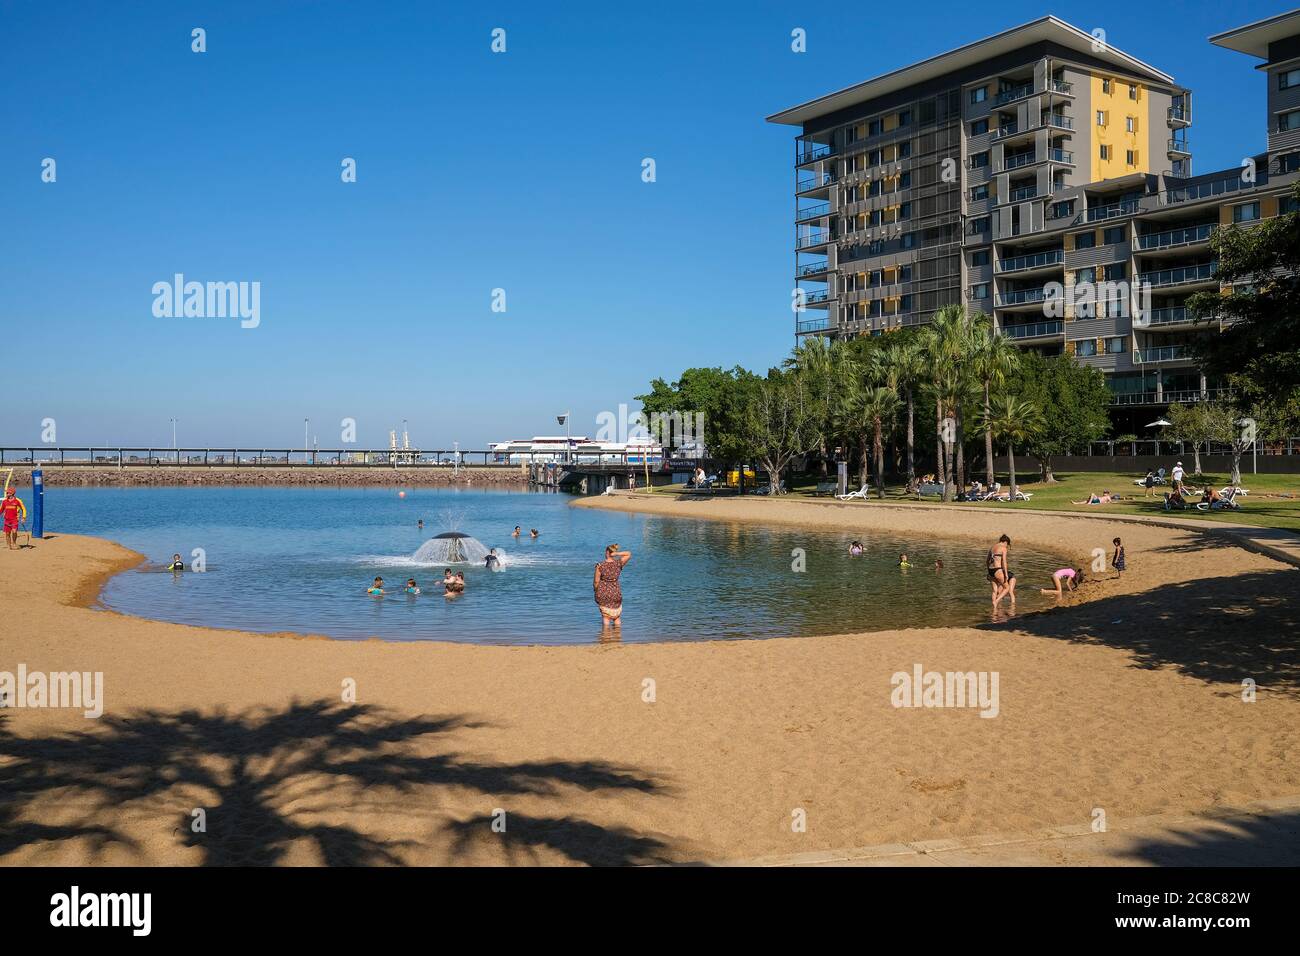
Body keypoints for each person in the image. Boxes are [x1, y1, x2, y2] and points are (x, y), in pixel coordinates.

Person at [594, 542, 632, 629]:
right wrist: (617, 554)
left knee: (606, 617)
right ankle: (617, 635)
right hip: (616, 592)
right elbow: (629, 554)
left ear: (607, 552)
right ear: (613, 553)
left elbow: (596, 582)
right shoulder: (618, 563)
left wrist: (596, 591)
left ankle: (606, 636)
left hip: (603, 592)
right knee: (617, 617)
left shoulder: (600, 566)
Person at [987, 534, 1016, 607]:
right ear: (1006, 542)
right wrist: (1005, 574)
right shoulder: (1003, 548)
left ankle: (994, 608)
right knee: (1007, 588)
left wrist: (988, 571)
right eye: (1007, 544)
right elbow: (1004, 562)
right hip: (998, 570)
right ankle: (996, 602)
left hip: (991, 570)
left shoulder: (992, 547)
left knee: (994, 590)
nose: (1007, 546)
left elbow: (987, 561)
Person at [2, 486, 26, 551]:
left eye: (8, 493)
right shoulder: (4, 501)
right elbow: (1, 510)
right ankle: (9, 546)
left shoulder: (17, 501)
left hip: (14, 519)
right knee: (7, 533)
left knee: (14, 531)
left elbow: (23, 509)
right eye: (6, 493)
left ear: (12, 493)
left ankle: (14, 543)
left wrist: (23, 517)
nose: (6, 494)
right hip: (7, 520)